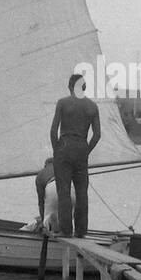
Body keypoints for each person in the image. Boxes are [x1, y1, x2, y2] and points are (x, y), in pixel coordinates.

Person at [49, 73, 101, 237]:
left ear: (70, 87)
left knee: (63, 191)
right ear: (84, 87)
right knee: (81, 192)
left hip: (64, 147)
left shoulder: (63, 103)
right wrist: (86, 150)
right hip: (81, 148)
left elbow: (53, 130)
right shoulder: (92, 106)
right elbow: (97, 134)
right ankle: (81, 231)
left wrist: (57, 150)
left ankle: (66, 230)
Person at [34, 157, 59, 231]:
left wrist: (42, 220)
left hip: (52, 186)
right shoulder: (63, 168)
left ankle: (49, 227)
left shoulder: (41, 174)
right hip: (70, 187)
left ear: (45, 165)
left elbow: (41, 202)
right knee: (66, 215)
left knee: (47, 221)